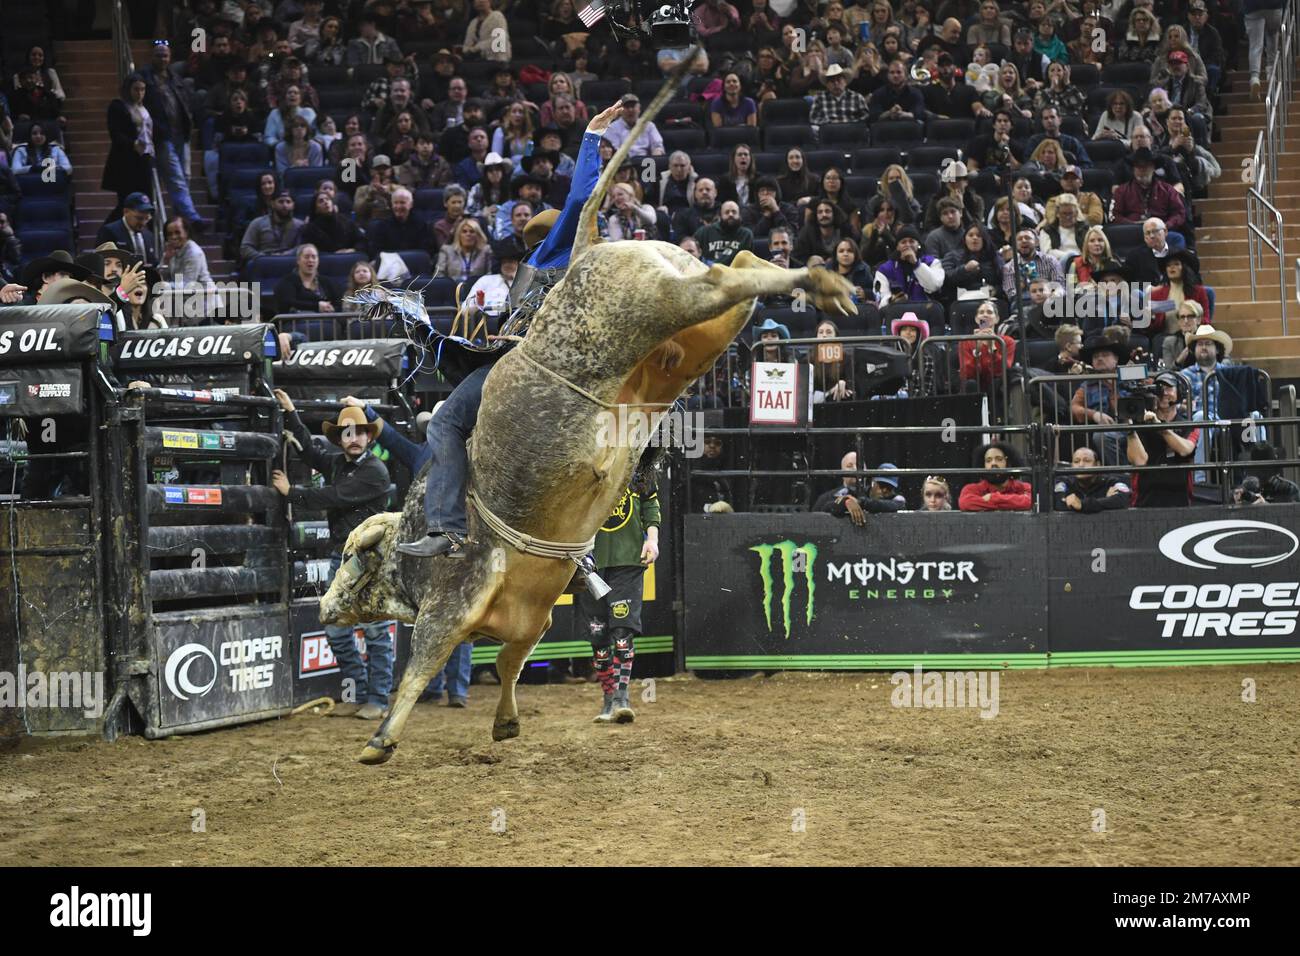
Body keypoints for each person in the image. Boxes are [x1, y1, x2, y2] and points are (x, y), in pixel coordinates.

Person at [398, 102, 622, 558]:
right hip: (541, 367)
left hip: (527, 365)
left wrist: (592, 137)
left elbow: (580, 200)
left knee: (445, 424)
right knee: (462, 429)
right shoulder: (565, 267)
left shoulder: (555, 251)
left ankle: (448, 527)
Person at [271, 393, 393, 719]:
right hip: (342, 559)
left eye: (359, 432)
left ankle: (377, 699)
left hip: (367, 561)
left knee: (374, 631)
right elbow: (311, 452)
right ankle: (365, 694)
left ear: (368, 436)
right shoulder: (340, 463)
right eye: (347, 433)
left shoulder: (375, 472)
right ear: (341, 439)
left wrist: (292, 493)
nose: (354, 438)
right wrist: (292, 412)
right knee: (337, 629)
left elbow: (334, 496)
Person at [581, 470, 661, 723]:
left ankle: (621, 699)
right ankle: (607, 700)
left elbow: (650, 503)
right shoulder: (586, 461)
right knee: (599, 640)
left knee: (622, 634)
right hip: (589, 562)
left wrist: (652, 540)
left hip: (628, 560)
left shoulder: (639, 464)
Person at [1126, 371, 1199, 507]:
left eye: (1169, 388)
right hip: (1144, 499)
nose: (1164, 393)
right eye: (1159, 389)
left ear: (1180, 393)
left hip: (1180, 500)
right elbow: (1139, 461)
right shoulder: (1140, 424)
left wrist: (1160, 427)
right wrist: (1131, 429)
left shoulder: (1189, 424)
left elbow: (1185, 450)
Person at [101, 74, 154, 223]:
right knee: (126, 203)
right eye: (136, 89)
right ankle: (108, 232)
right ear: (128, 89)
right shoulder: (118, 106)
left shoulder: (145, 107)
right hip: (125, 161)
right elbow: (115, 133)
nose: (140, 93)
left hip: (145, 159)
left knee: (145, 202)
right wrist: (133, 144)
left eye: (143, 90)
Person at [1112, 148, 1187, 235]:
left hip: (1161, 232)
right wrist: (1131, 225)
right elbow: (1115, 215)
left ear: (1153, 167)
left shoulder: (1168, 190)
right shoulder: (1121, 191)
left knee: (1177, 238)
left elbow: (1179, 213)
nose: (1142, 170)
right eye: (1138, 166)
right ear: (1133, 169)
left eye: (1146, 166)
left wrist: (1165, 225)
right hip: (1131, 232)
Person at [814, 454, 906, 525]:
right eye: (881, 485)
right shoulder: (857, 493)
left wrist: (862, 503)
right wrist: (845, 502)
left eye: (889, 487)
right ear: (873, 482)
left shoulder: (897, 499)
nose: (884, 490)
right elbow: (827, 507)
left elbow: (895, 506)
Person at [874, 225, 945, 305]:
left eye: (911, 241)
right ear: (897, 247)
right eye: (903, 242)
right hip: (895, 313)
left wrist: (916, 264)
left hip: (925, 312)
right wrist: (892, 300)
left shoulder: (932, 262)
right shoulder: (884, 270)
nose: (908, 245)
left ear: (918, 245)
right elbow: (879, 299)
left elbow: (934, 286)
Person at [1054, 445, 1131, 512]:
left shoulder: (1111, 481)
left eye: (1087, 460)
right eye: (1076, 461)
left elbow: (1124, 499)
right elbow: (1057, 503)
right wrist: (1105, 501)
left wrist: (1082, 505)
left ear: (1097, 464)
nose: (1081, 465)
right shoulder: (1065, 482)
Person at [958, 443, 1033, 511]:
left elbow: (1031, 501)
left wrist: (994, 498)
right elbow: (965, 503)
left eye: (999, 459)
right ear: (982, 465)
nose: (993, 463)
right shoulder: (971, 489)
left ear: (1009, 463)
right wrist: (1012, 502)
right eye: (988, 460)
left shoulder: (1024, 488)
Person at [239, 189, 304, 264]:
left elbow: (302, 247)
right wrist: (263, 257)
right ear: (272, 204)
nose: (285, 205)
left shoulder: (300, 225)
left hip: (290, 262)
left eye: (288, 202)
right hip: (264, 262)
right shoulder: (257, 223)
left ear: (293, 205)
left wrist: (284, 255)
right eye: (281, 201)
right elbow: (245, 248)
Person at [274, 243, 341, 315]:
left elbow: (338, 304)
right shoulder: (287, 281)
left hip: (326, 321)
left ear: (318, 261)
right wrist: (317, 306)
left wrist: (331, 308)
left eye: (314, 257)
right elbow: (288, 303)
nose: (310, 260)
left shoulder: (327, 281)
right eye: (306, 257)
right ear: (298, 260)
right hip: (296, 322)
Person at [97, 192, 158, 265]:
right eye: (139, 218)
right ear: (126, 212)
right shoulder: (109, 231)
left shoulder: (148, 235)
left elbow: (153, 262)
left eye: (147, 218)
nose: (143, 223)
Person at [1161, 300, 1204, 370]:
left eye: (1190, 316)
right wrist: (1179, 360)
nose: (1186, 321)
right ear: (1178, 321)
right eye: (1182, 317)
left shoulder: (1208, 338)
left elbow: (1225, 361)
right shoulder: (1170, 342)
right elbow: (1167, 370)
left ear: (1198, 320)